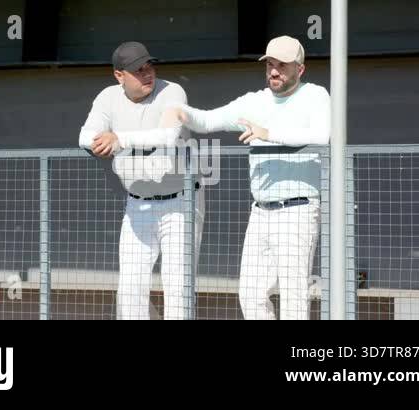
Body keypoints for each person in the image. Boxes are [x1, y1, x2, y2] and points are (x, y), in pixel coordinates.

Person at [165, 35, 330, 319]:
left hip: (299, 209)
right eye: (270, 65)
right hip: (261, 211)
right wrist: (180, 112)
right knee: (250, 294)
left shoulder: (315, 95)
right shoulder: (254, 101)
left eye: (282, 65)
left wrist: (268, 133)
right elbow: (207, 120)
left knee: (294, 297)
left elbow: (321, 136)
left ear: (300, 69)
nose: (274, 71)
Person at [79, 41, 204, 320]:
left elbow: (167, 135)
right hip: (137, 206)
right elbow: (85, 136)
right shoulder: (108, 97)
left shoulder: (172, 91)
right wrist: (101, 141)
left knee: (178, 291)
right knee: (130, 293)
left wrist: (119, 139)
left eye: (150, 67)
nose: (148, 74)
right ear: (119, 76)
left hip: (180, 204)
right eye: (138, 70)